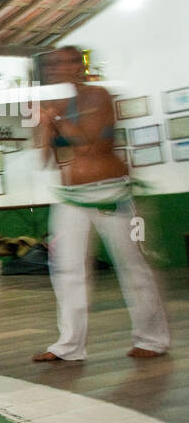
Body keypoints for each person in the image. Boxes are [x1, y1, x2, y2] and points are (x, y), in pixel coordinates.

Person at [31, 46, 169, 362]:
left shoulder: (99, 96)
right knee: (66, 268)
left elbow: (91, 144)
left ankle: (152, 338)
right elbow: (44, 158)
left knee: (132, 265)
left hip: (111, 193)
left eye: (66, 61)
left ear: (80, 66)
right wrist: (43, 123)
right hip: (71, 198)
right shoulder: (52, 104)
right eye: (53, 63)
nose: (58, 68)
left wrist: (58, 117)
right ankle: (69, 345)